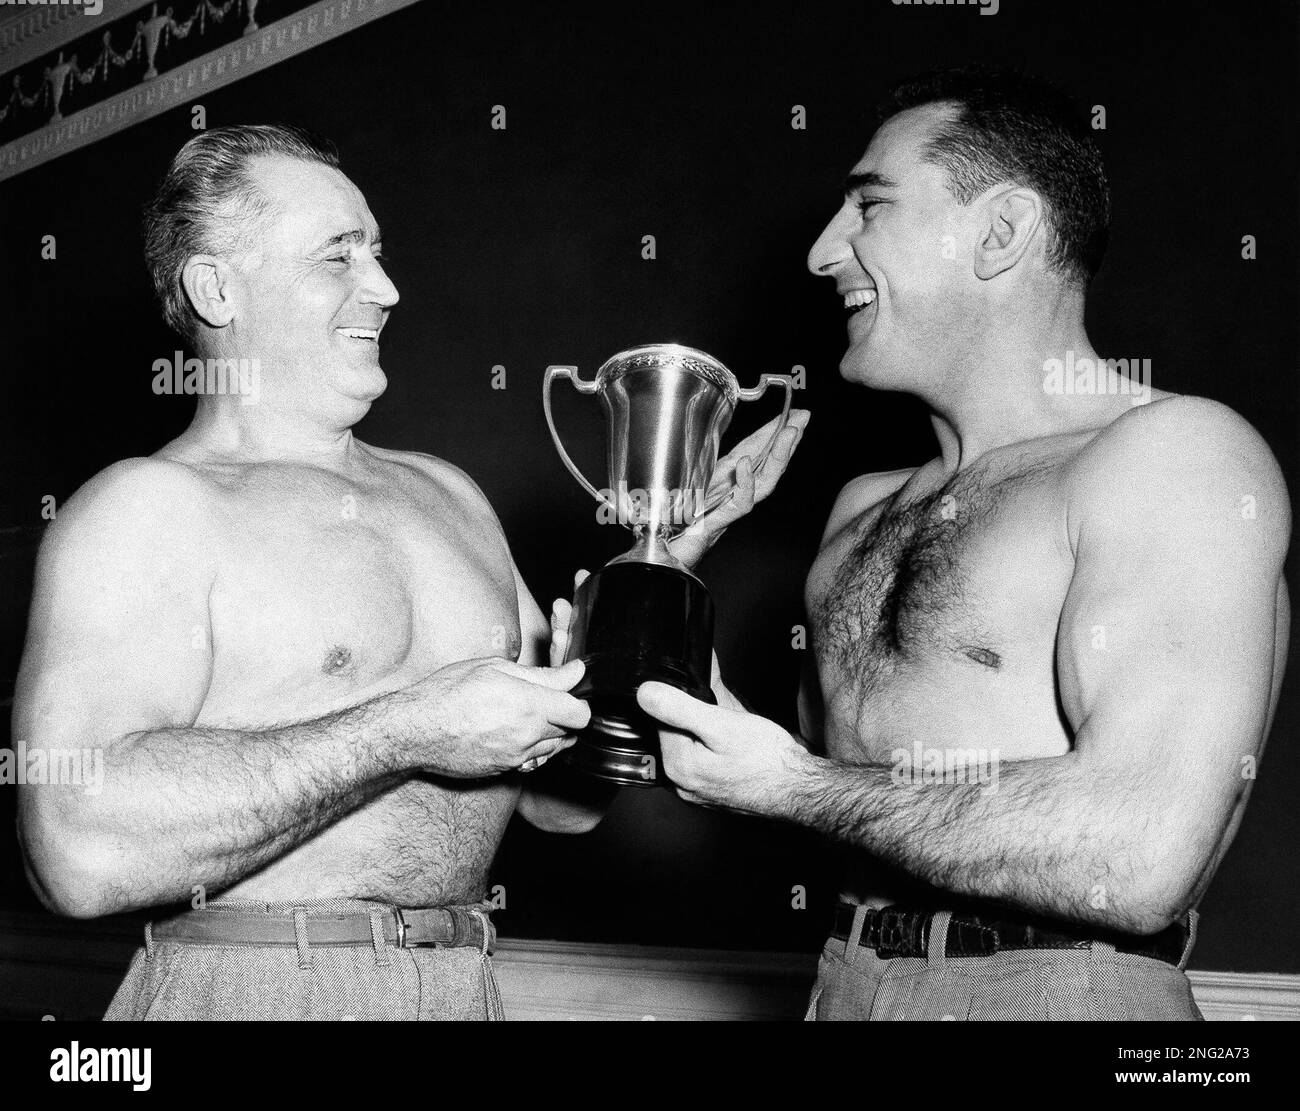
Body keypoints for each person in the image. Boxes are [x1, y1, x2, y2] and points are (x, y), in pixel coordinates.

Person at [13, 124, 806, 1020]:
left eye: (379, 252)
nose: (385, 289)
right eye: (337, 256)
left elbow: (557, 803)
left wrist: (661, 561)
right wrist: (404, 729)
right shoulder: (143, 508)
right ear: (217, 286)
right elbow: (75, 848)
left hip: (464, 983)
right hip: (259, 988)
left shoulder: (449, 494)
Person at [635, 66, 1290, 1021]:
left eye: (870, 205)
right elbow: (847, 798)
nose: (825, 252)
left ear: (1000, 232)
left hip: (1061, 989)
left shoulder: (1178, 456)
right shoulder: (862, 509)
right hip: (848, 981)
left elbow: (1138, 854)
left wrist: (791, 784)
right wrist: (665, 561)